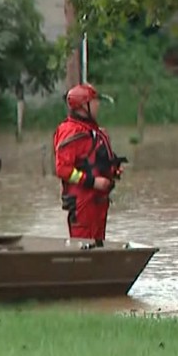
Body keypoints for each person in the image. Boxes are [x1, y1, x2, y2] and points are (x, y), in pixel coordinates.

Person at [52, 83, 125, 246]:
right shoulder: (71, 131)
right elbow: (63, 169)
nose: (97, 105)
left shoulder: (95, 131)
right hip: (82, 202)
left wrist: (113, 170)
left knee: (98, 246)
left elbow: (96, 159)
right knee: (83, 247)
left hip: (98, 200)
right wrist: (92, 181)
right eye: (93, 102)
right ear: (82, 106)